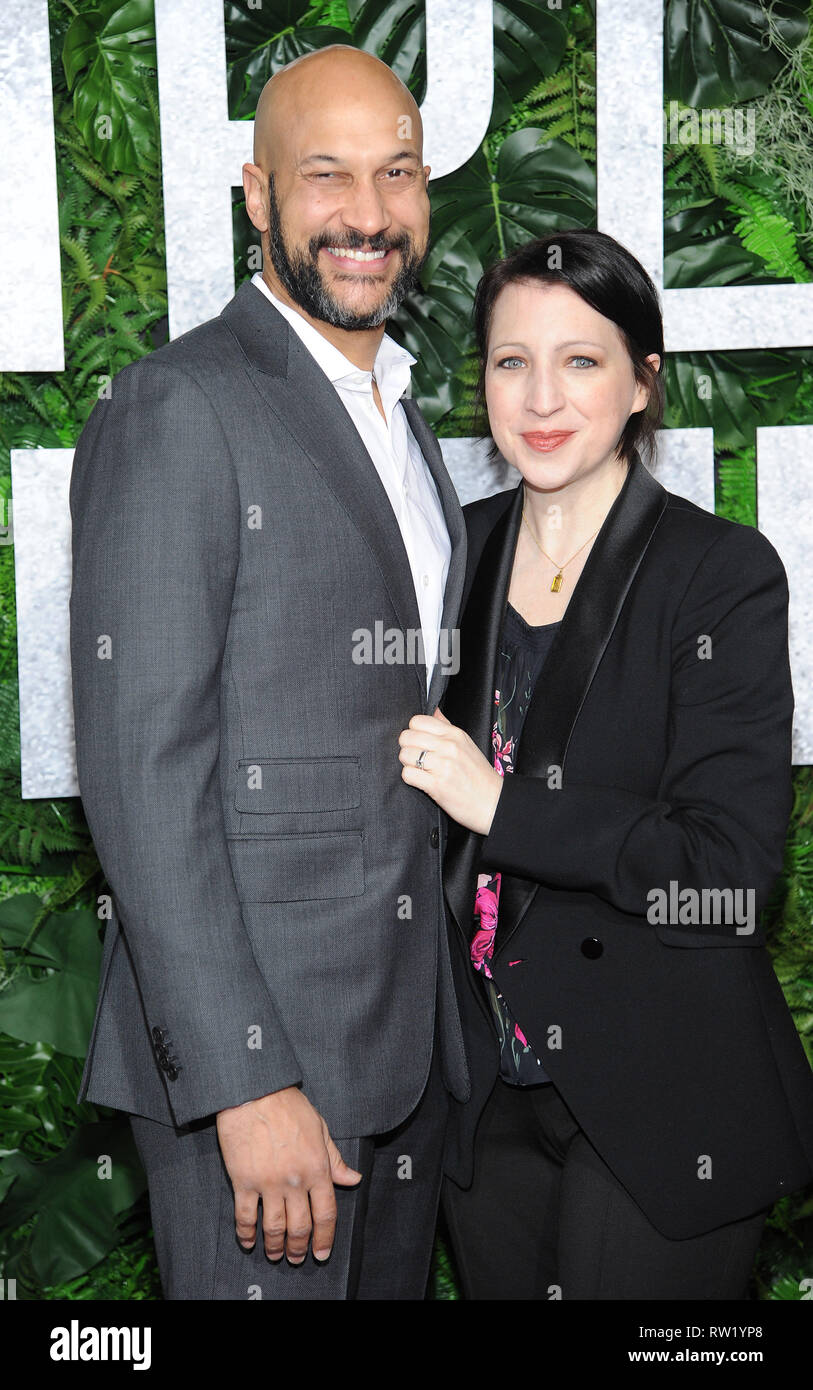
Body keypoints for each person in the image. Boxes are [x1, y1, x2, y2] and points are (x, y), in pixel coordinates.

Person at [69, 44, 471, 1301]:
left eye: (396, 174)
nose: (366, 213)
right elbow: (143, 771)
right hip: (263, 1075)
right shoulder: (182, 403)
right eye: (325, 175)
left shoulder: (402, 417)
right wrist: (246, 1077)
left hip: (403, 1058)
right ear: (257, 195)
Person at [398, 229, 813, 1300]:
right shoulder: (445, 557)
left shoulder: (717, 577)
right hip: (483, 1097)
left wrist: (503, 807)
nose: (541, 394)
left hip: (661, 1089)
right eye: (510, 361)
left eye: (581, 360)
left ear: (643, 383)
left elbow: (726, 870)